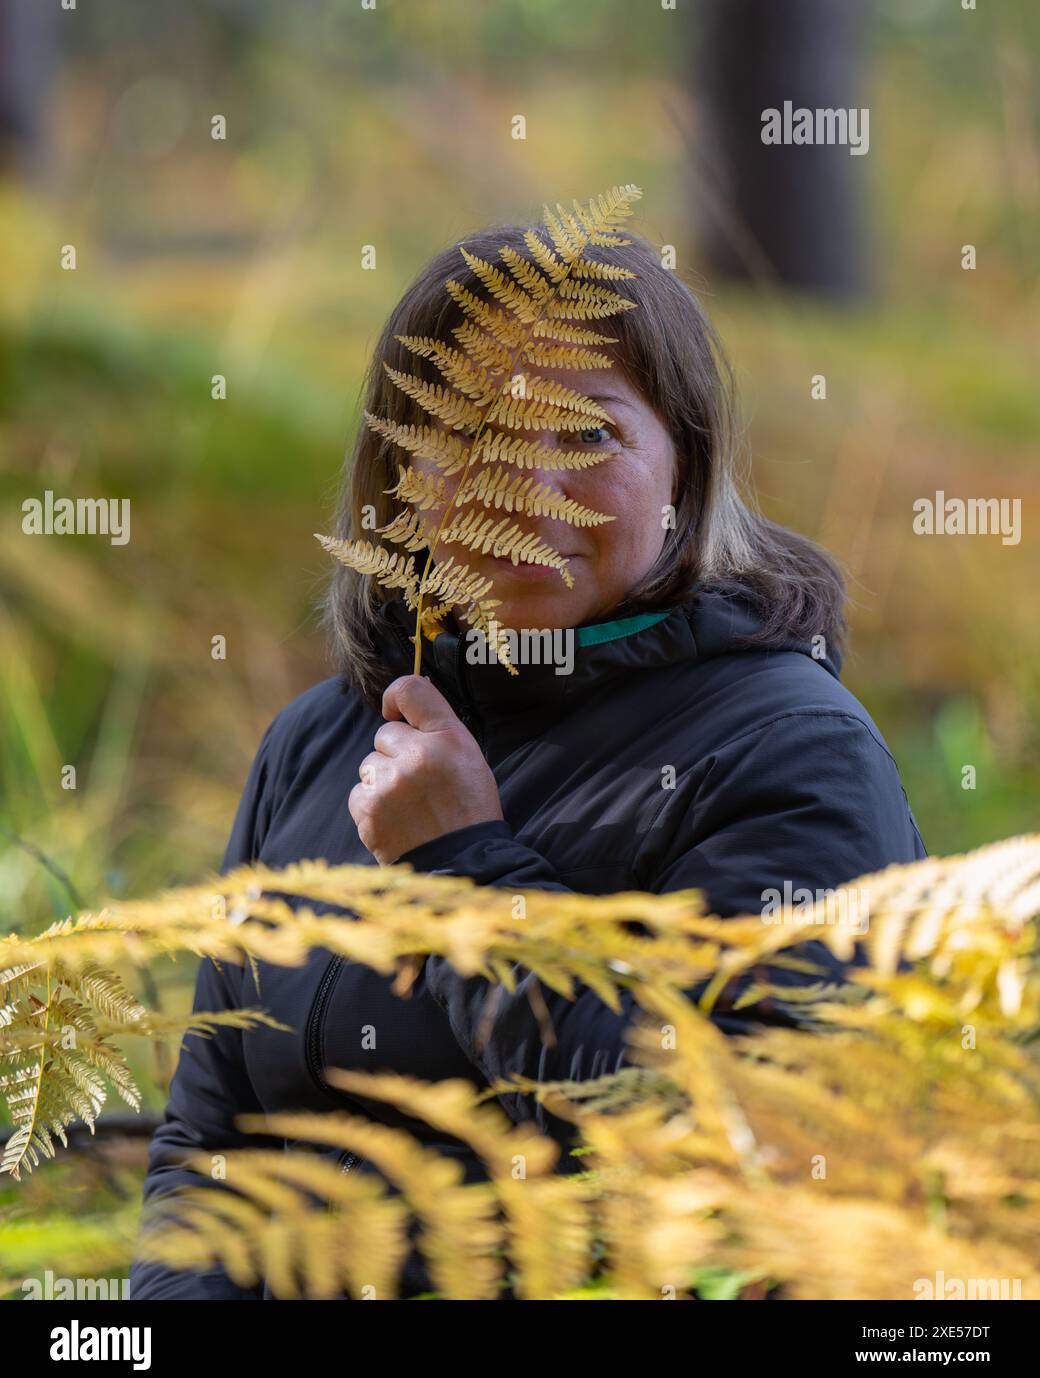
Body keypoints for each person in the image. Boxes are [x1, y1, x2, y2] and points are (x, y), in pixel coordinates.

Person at [129, 224, 926, 1300]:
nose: (526, 488)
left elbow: (747, 1151)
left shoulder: (788, 752)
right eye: (470, 433)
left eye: (588, 434)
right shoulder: (316, 743)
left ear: (682, 472)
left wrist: (467, 869)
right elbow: (210, 1138)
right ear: (400, 476)